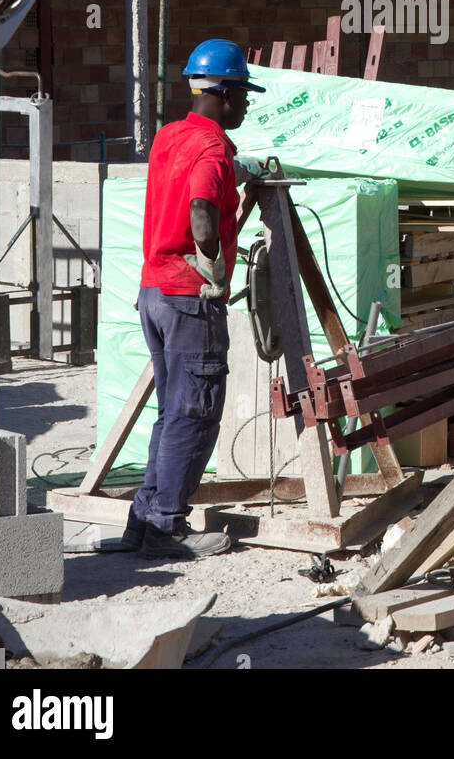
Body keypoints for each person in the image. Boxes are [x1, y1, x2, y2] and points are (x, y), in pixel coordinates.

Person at [120, 39, 264, 558]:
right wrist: (211, 262)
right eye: (243, 94)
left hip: (153, 290)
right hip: (188, 295)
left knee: (171, 411)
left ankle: (142, 521)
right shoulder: (211, 149)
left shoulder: (171, 136)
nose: (247, 104)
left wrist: (241, 173)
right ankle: (167, 528)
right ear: (222, 95)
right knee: (195, 412)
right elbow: (202, 201)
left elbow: (198, 182)